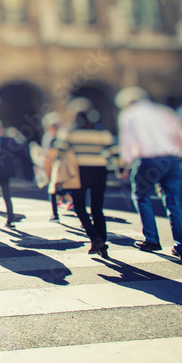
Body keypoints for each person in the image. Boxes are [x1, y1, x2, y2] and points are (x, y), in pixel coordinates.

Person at [116, 87, 182, 261]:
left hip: (148, 160)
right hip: (172, 160)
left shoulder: (129, 115)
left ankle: (151, 239)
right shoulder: (164, 111)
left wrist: (126, 164)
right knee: (175, 203)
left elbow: (127, 143)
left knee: (142, 197)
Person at [56, 98, 119, 257]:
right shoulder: (101, 131)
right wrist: (120, 166)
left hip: (79, 172)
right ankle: (102, 244)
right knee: (98, 208)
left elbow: (60, 151)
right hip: (100, 170)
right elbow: (114, 150)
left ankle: (94, 237)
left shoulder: (69, 131)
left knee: (79, 206)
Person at [0, 126, 31, 229]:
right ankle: (10, 218)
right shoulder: (9, 141)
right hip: (5, 171)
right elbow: (21, 153)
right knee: (6, 195)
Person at [41, 114, 74, 221]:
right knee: (55, 189)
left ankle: (58, 211)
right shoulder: (50, 137)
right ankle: (55, 213)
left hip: (60, 167)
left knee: (59, 188)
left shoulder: (59, 136)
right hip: (55, 167)